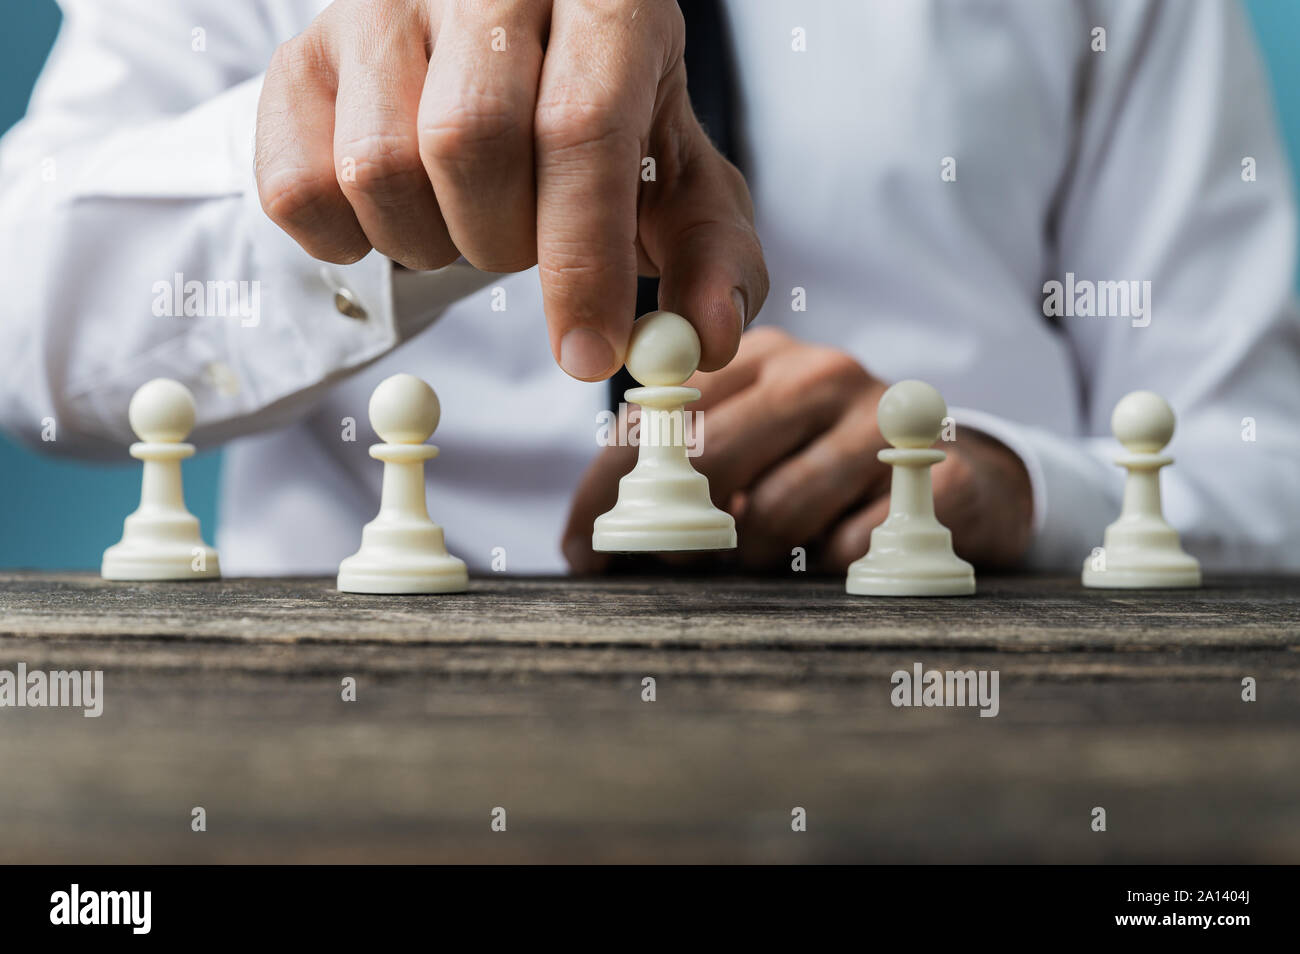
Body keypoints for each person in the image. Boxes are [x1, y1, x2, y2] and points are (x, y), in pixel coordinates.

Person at [1, 0, 1297, 576]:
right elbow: (27, 322)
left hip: (984, 758)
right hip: (373, 792)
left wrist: (1023, 491)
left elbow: (1267, 462)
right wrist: (374, 178)